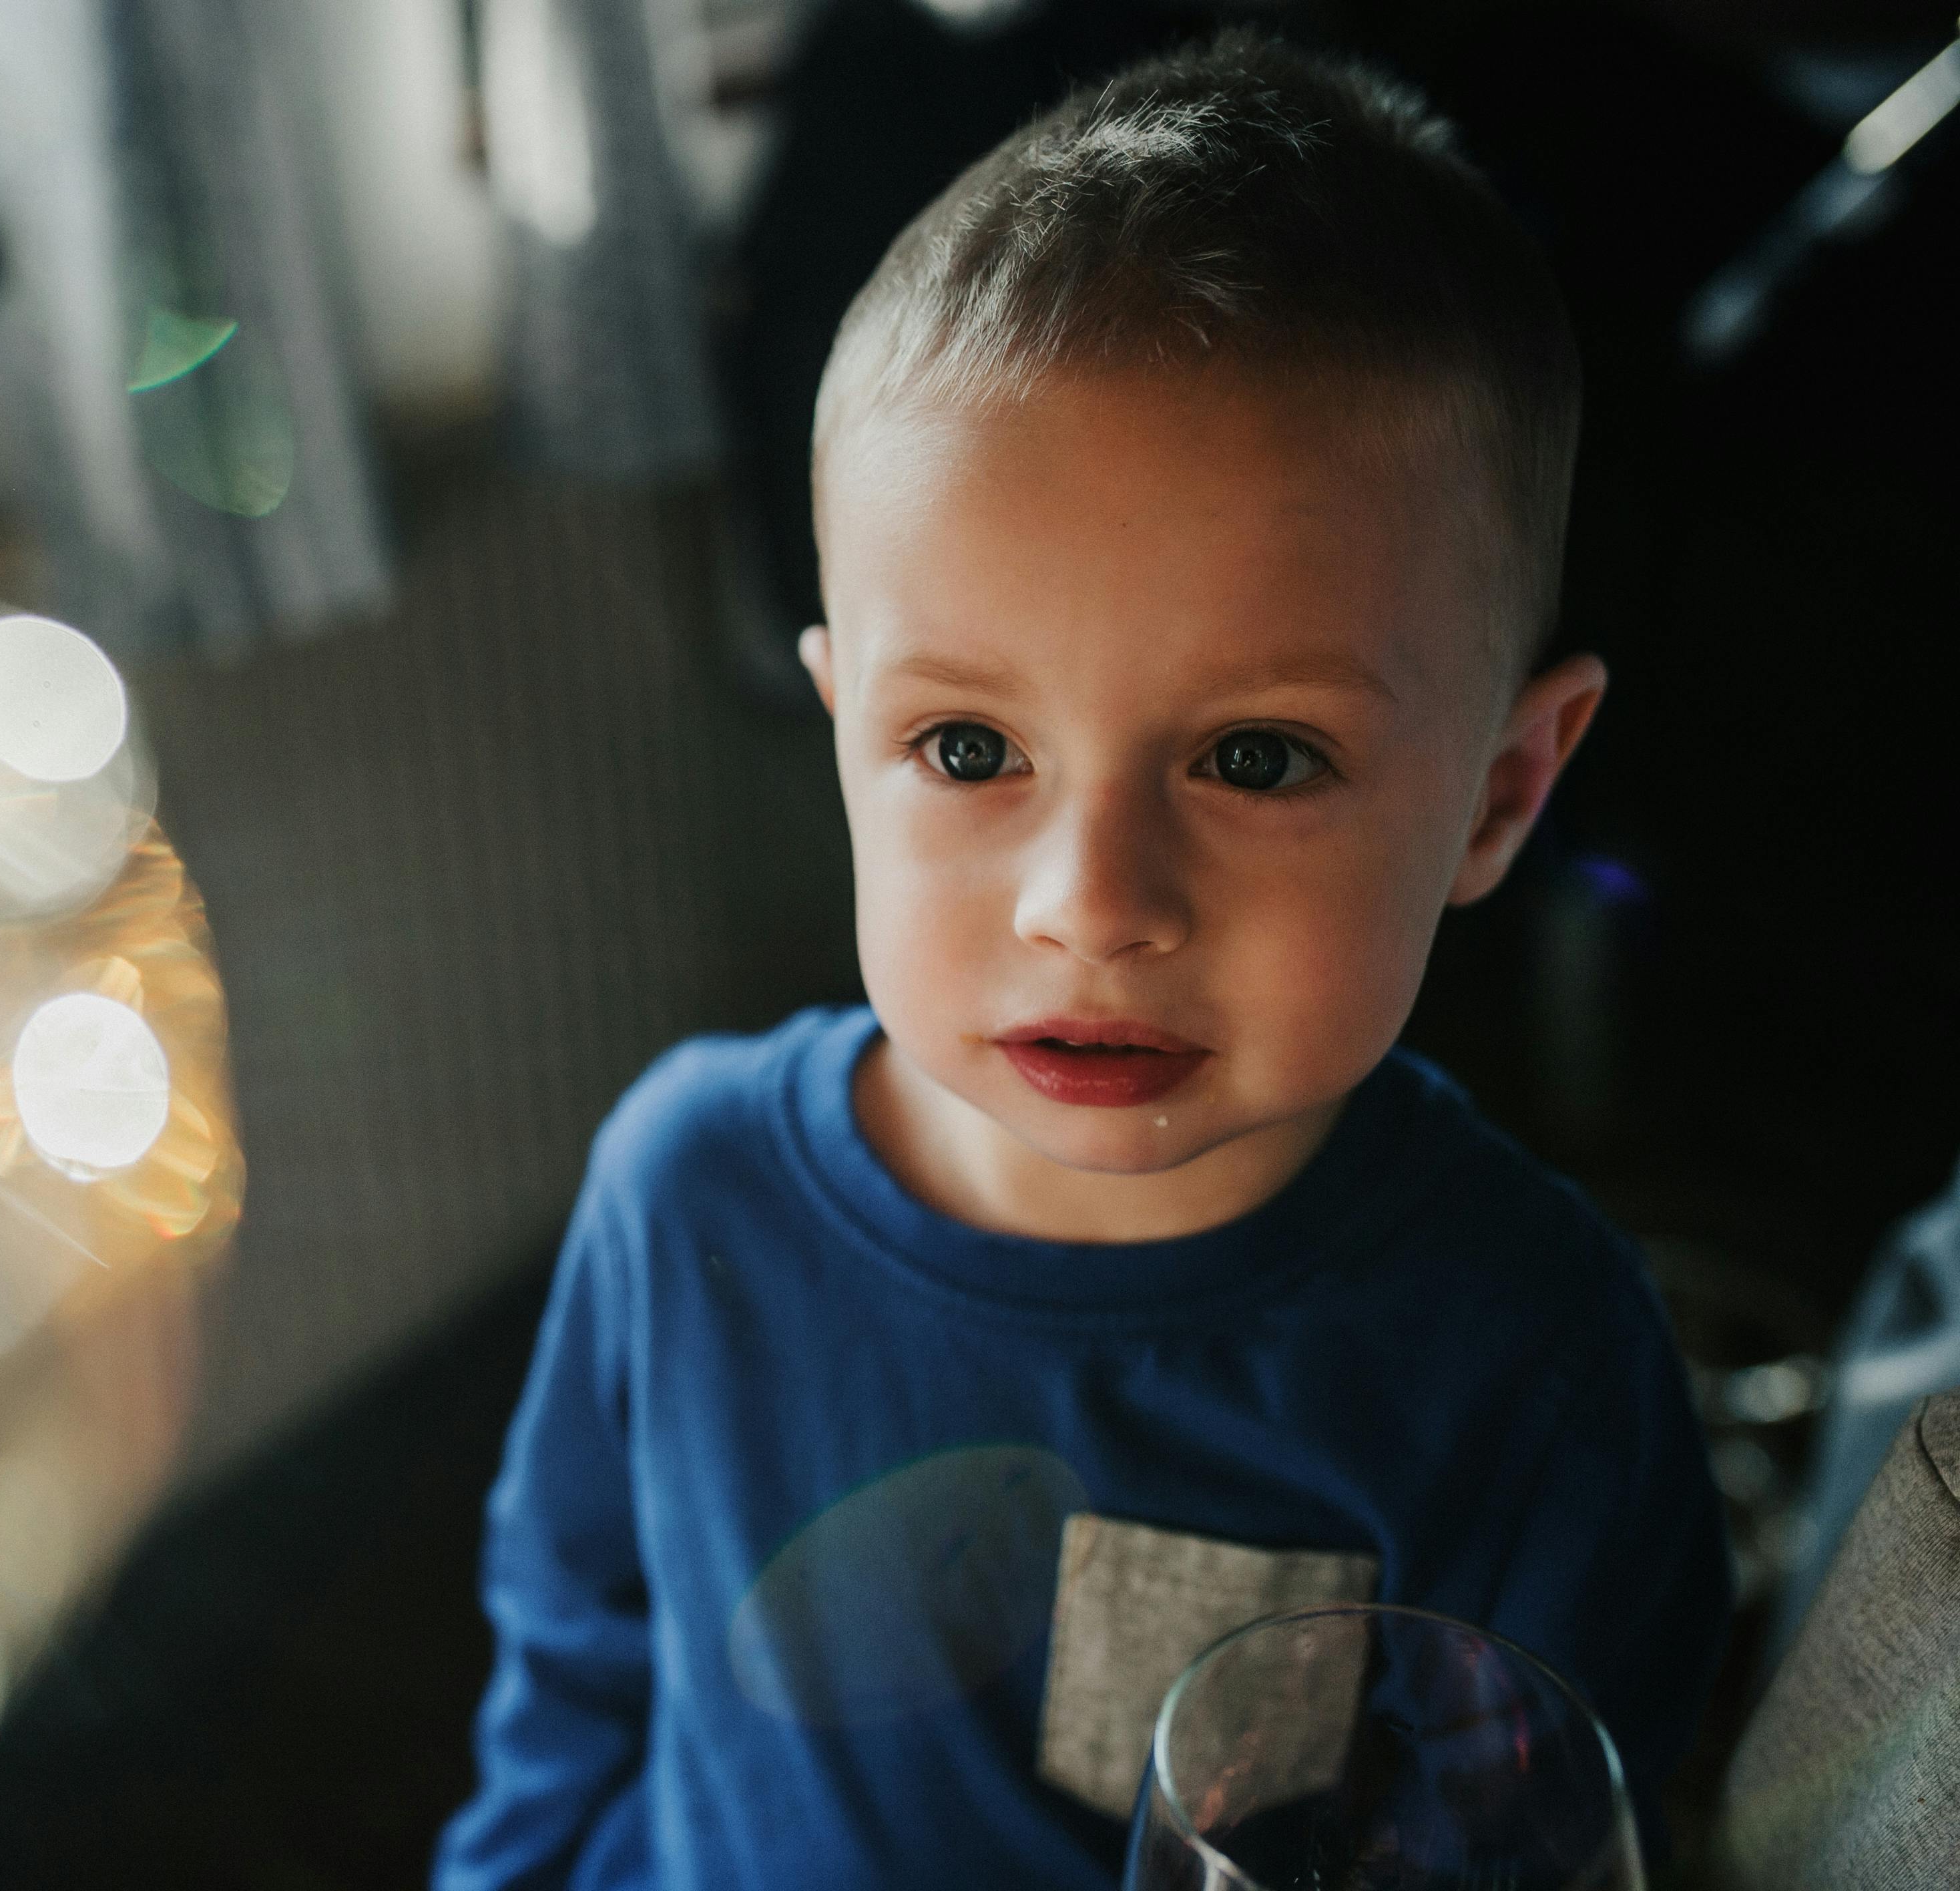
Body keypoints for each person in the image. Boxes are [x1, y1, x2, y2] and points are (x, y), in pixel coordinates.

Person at [435, 31, 1733, 1890]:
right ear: (845, 736)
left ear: (1503, 792)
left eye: (1257, 759)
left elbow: (1536, 1838)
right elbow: (573, 1661)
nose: (1093, 901)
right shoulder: (683, 1188)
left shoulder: (1532, 1365)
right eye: (969, 748)